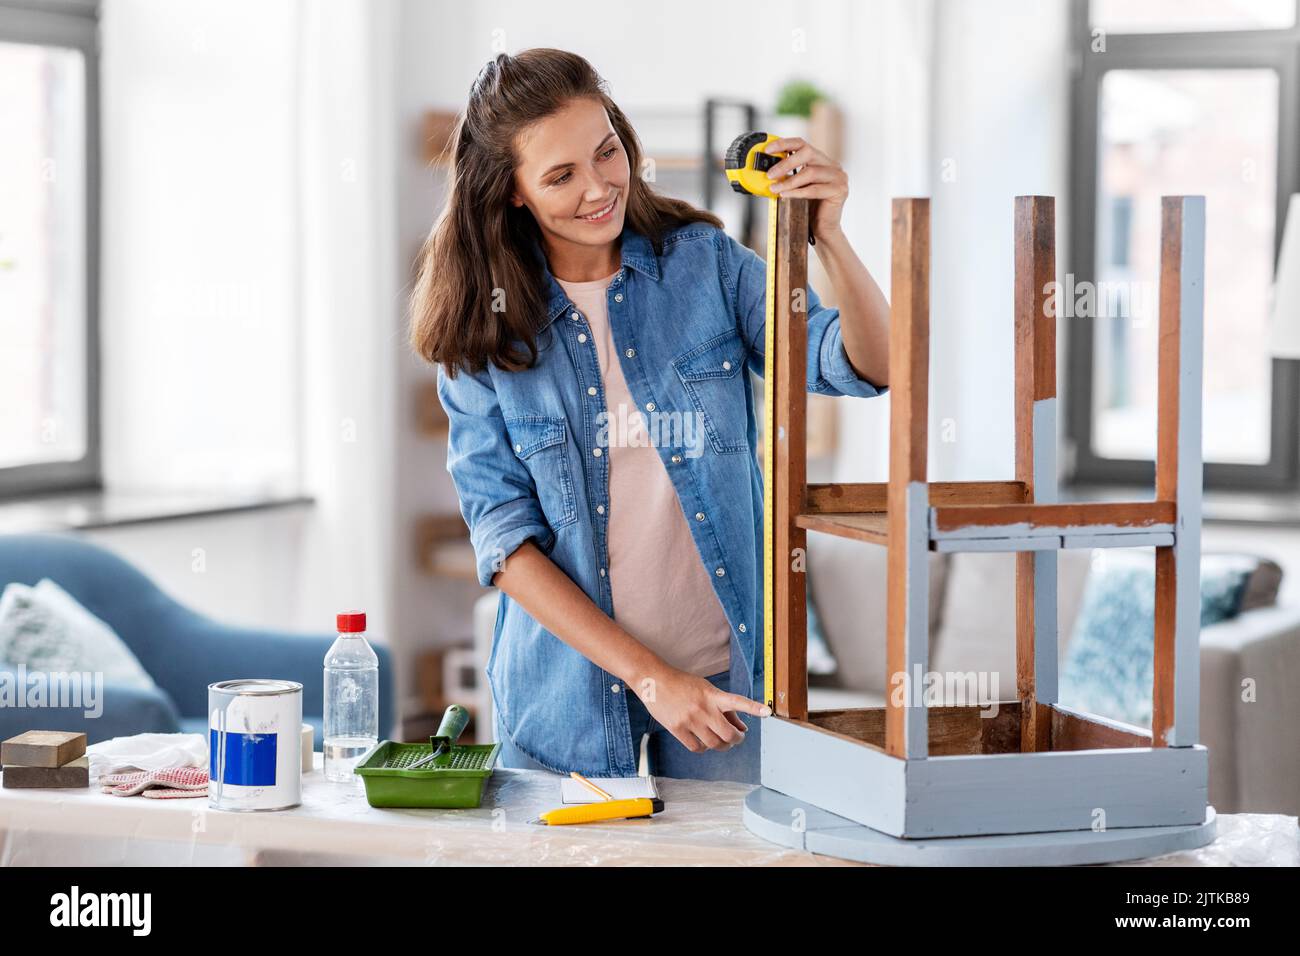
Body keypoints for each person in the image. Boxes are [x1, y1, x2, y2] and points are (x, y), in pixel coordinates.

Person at [408, 49, 890, 782]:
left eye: (607, 153)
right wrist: (649, 677)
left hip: (721, 703)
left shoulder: (706, 267)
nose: (599, 188)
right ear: (511, 193)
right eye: (561, 175)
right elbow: (506, 543)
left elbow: (864, 364)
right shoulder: (484, 335)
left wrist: (828, 237)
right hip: (561, 715)